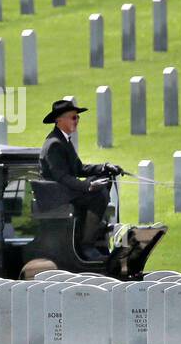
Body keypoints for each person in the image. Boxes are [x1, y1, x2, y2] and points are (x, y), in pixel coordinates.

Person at [39, 99, 123, 261]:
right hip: (57, 195)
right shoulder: (54, 144)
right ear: (59, 120)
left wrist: (104, 167)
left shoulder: (63, 140)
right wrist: (88, 186)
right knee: (99, 195)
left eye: (78, 118)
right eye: (73, 117)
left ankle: (98, 234)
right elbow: (61, 177)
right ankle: (87, 245)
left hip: (66, 190)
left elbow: (79, 168)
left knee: (104, 179)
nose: (77, 121)